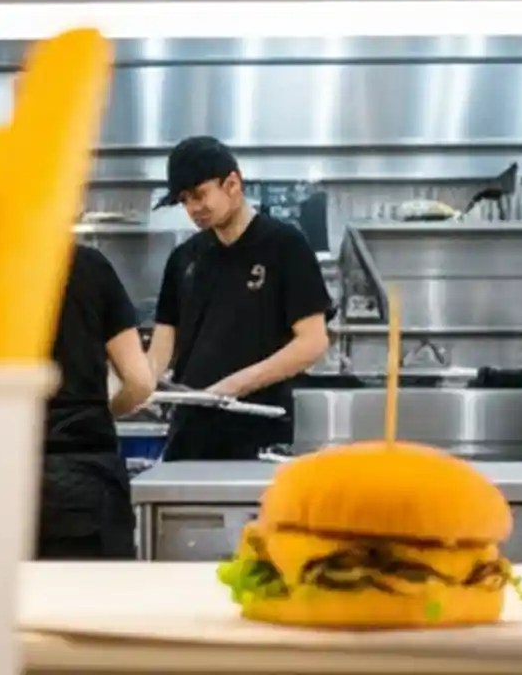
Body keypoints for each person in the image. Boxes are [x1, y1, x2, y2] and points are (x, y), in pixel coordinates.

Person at [147, 136, 332, 461]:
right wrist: (139, 386)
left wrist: (231, 387)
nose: (193, 209)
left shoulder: (285, 246)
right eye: (185, 200)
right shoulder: (184, 258)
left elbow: (313, 343)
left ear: (232, 183)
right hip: (190, 431)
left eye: (200, 195)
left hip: (260, 430)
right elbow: (163, 345)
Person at [37, 244, 154, 559]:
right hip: (82, 478)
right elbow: (140, 382)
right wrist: (100, 412)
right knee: (93, 590)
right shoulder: (86, 264)